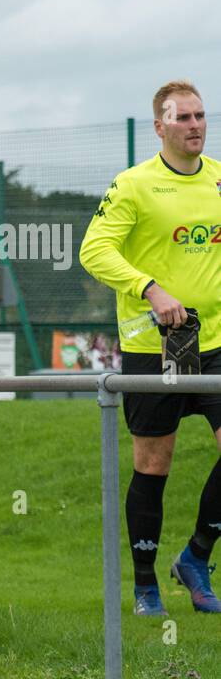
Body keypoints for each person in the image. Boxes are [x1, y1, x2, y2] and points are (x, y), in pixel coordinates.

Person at [80, 78, 221, 615]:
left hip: (216, 342)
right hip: (153, 346)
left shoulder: (218, 180)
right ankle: (144, 585)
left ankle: (196, 557)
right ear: (159, 126)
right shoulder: (134, 185)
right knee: (154, 464)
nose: (195, 126)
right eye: (183, 118)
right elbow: (93, 251)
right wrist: (150, 288)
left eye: (201, 116)